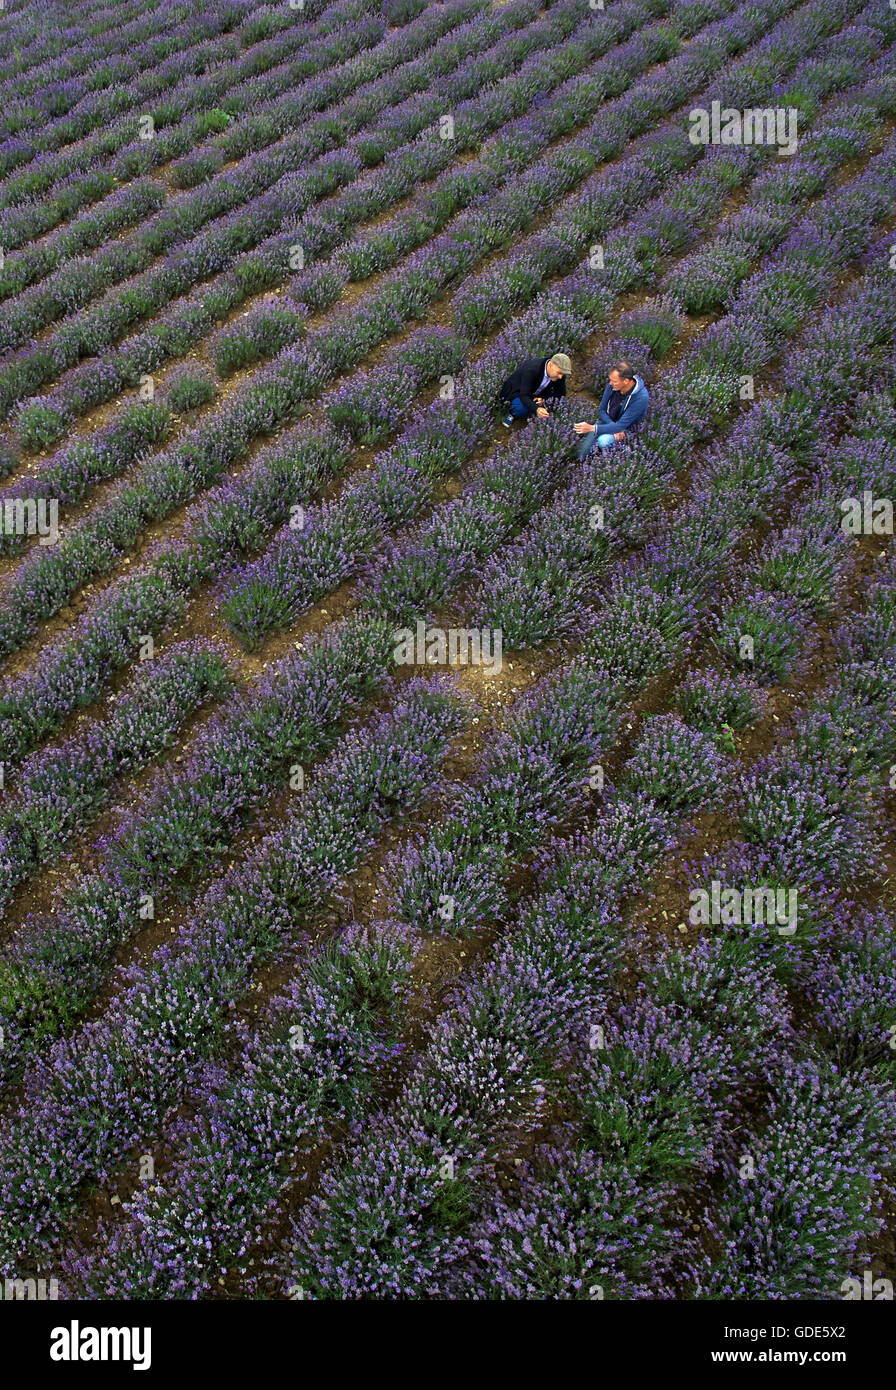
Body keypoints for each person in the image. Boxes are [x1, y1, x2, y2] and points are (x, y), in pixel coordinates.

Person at [573, 362, 649, 456]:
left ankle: (619, 454)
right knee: (580, 454)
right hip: (609, 422)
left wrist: (592, 428)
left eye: (614, 381)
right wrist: (613, 427)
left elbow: (622, 425)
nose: (610, 383)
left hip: (626, 430)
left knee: (603, 441)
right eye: (610, 380)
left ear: (626, 381)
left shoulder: (641, 398)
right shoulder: (613, 385)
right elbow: (601, 410)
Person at [499, 353, 571, 426]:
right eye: (559, 373)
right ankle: (512, 413)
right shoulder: (532, 369)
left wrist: (544, 400)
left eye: (563, 374)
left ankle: (533, 412)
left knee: (552, 404)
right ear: (551, 364)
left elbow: (561, 394)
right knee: (521, 408)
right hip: (517, 391)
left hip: (536, 392)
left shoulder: (559, 375)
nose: (561, 377)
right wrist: (536, 409)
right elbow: (524, 394)